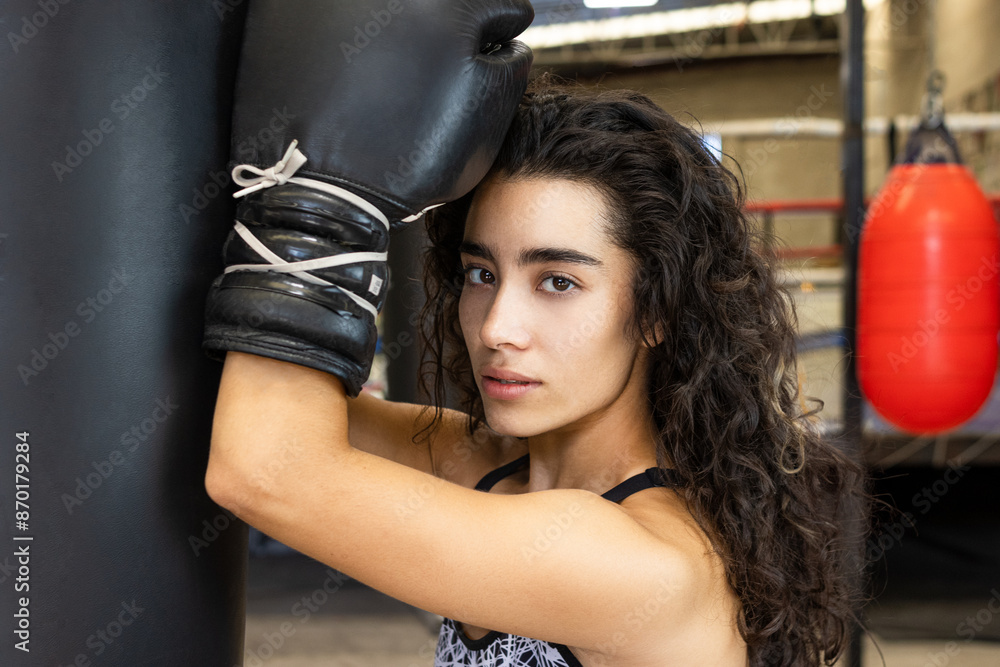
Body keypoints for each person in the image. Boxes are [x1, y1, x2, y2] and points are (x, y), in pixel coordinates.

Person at [205, 64, 868, 667]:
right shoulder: (481, 464)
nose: (496, 327)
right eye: (481, 273)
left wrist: (320, 197)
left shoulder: (642, 565)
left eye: (557, 282)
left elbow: (264, 470)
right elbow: (252, 413)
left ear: (655, 311)